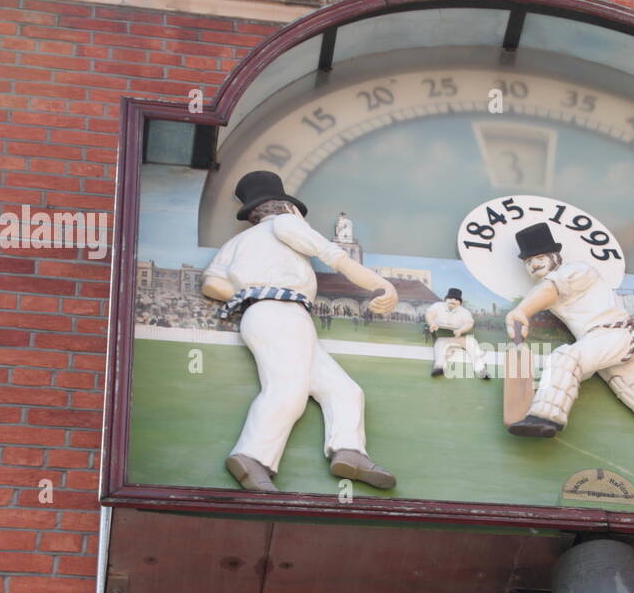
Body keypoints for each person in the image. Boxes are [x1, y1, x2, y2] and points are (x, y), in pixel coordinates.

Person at [200, 170, 398, 492]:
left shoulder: (236, 243)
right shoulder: (287, 224)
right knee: (287, 389)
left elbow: (212, 284)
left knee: (343, 390)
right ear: (284, 206)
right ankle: (252, 456)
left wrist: (249, 291)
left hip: (267, 314)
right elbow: (335, 257)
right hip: (283, 312)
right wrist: (380, 284)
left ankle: (349, 451)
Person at [504, 222, 634, 449]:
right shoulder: (552, 287)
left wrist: (521, 311)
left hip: (613, 332)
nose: (534, 264)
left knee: (566, 358)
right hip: (607, 339)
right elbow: (546, 292)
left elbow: (549, 289)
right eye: (528, 262)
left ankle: (545, 417)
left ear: (555, 256)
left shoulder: (576, 270)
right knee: (631, 385)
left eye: (539, 258)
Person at [425, 287, 490, 380]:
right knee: (439, 345)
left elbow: (469, 323)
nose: (453, 301)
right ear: (445, 299)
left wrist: (461, 331)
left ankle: (480, 370)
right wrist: (432, 324)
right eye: (450, 298)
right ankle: (439, 367)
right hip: (442, 339)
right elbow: (429, 314)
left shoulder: (464, 312)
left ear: (460, 303)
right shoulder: (437, 306)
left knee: (472, 343)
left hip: (459, 337)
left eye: (456, 299)